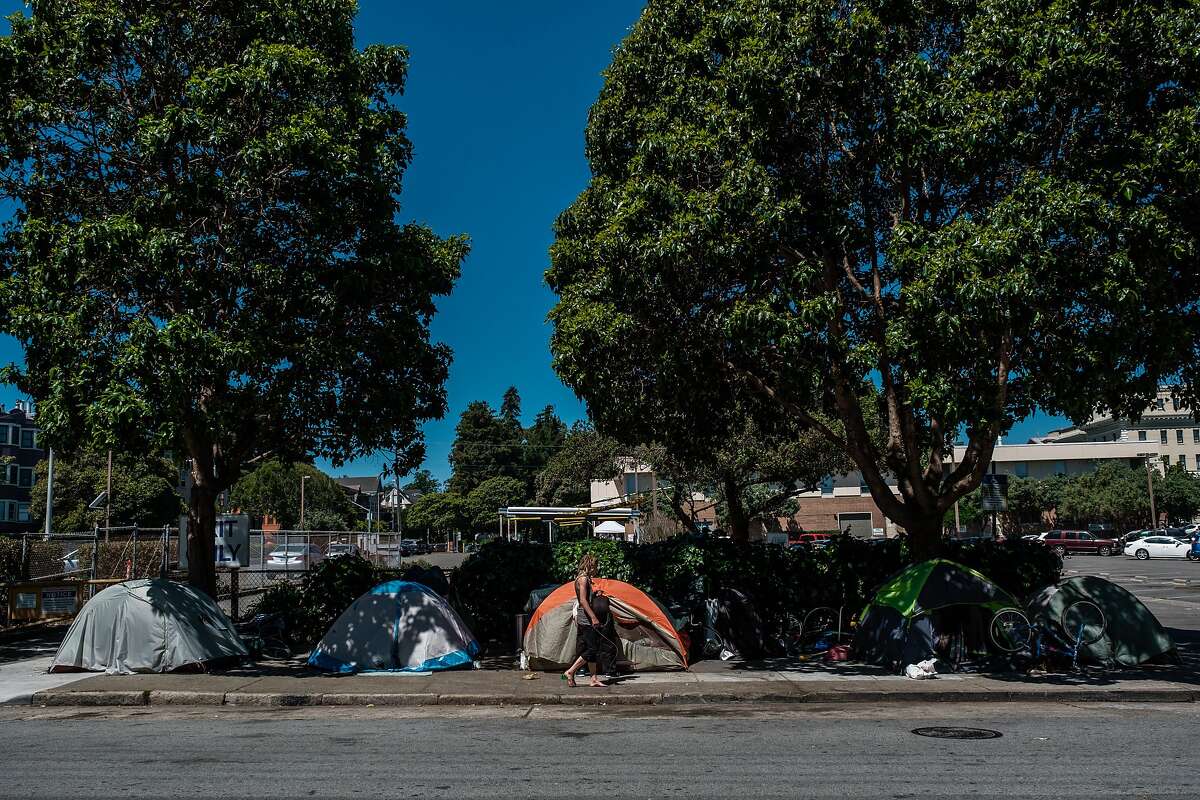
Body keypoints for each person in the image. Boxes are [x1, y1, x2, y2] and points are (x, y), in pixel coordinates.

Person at [562, 552, 605, 687]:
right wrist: (593, 617)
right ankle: (570, 671)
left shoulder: (584, 578)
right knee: (592, 649)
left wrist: (595, 594)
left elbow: (586, 597)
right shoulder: (583, 579)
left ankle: (593, 679)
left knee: (589, 649)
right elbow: (583, 600)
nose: (596, 569)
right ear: (590, 565)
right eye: (595, 566)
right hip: (586, 619)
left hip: (584, 618)